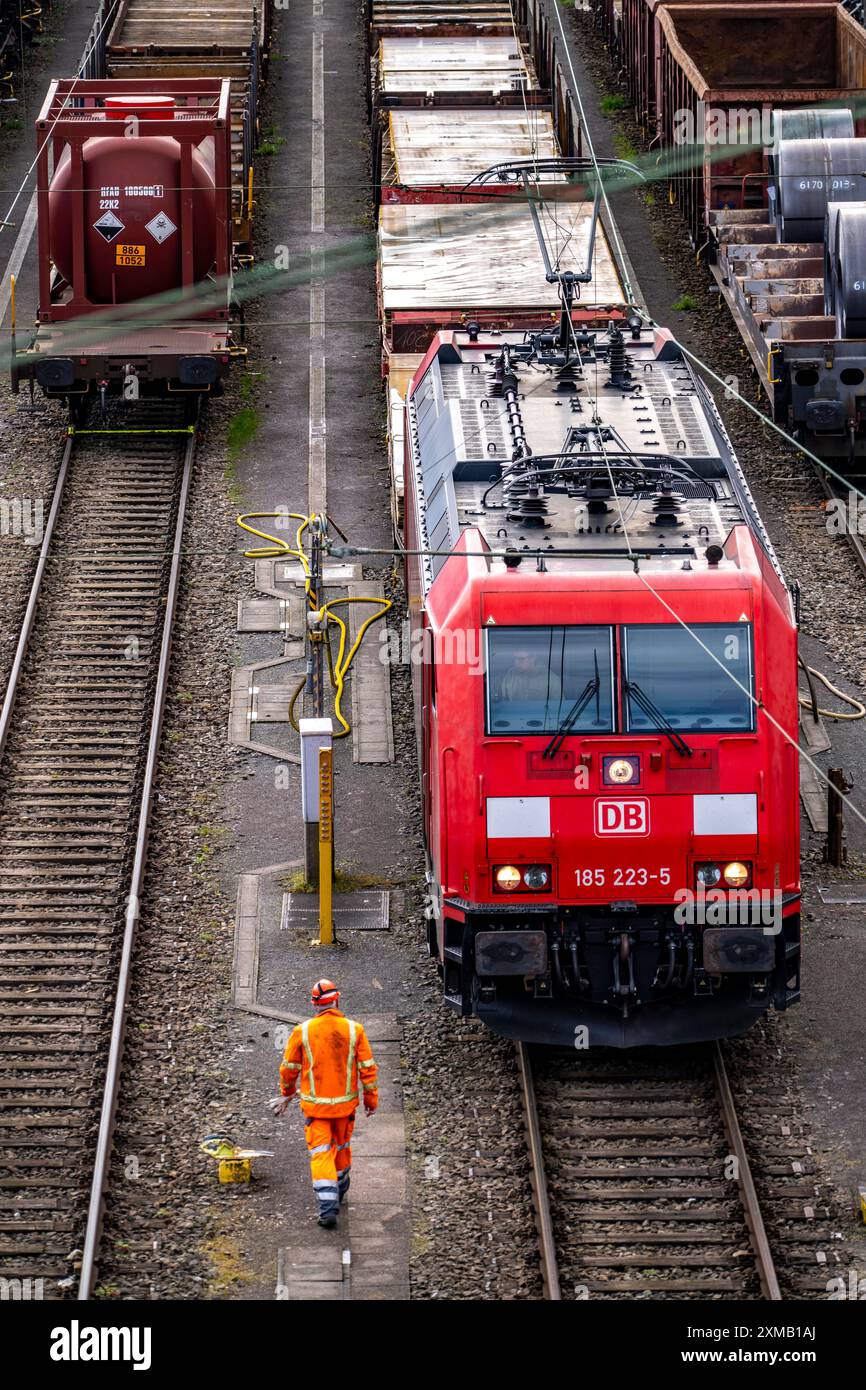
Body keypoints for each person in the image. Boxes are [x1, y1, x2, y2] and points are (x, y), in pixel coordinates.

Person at [269, 979, 378, 1229]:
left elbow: (288, 1070)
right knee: (342, 1149)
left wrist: (286, 1093)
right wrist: (371, 1100)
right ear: (337, 999)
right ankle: (340, 1191)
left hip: (316, 1111)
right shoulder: (355, 1030)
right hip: (345, 1109)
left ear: (314, 1004)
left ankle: (328, 1208)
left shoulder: (303, 1031)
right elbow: (368, 1070)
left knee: (321, 1155)